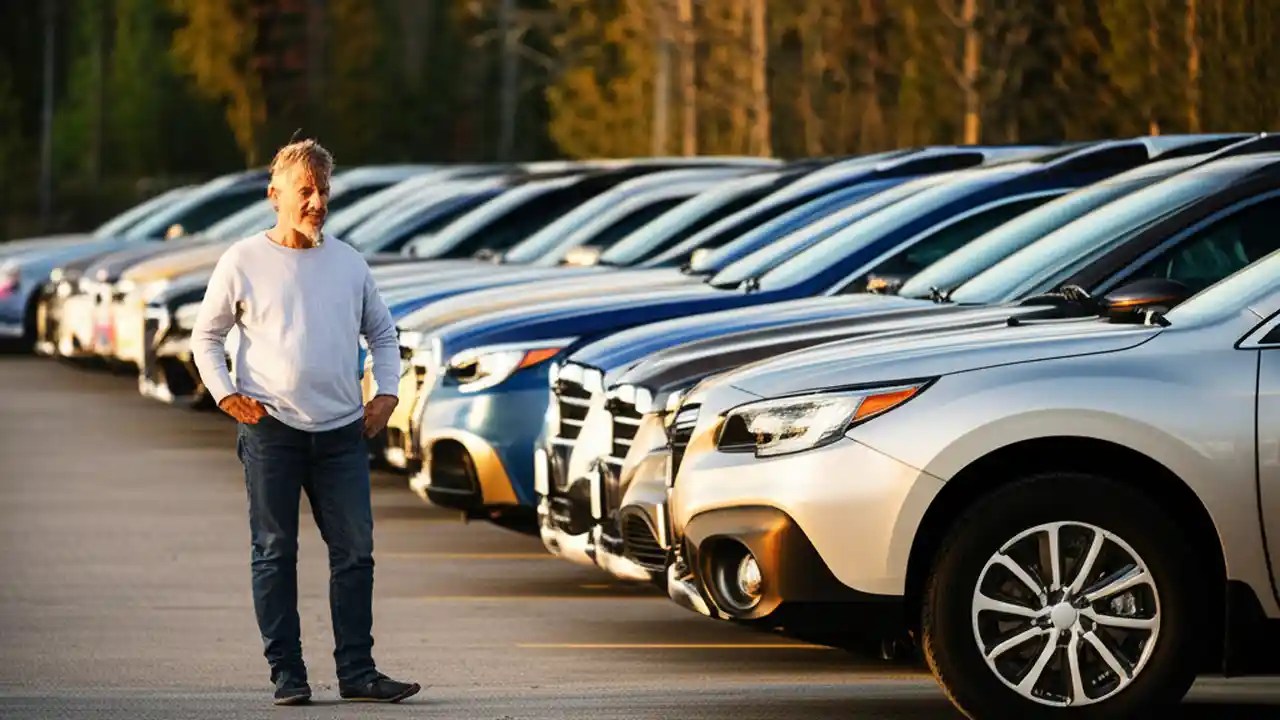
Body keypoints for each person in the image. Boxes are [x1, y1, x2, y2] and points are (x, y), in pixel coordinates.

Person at [191, 140, 419, 706]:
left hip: (342, 432)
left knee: (355, 552)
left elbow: (383, 335)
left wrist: (386, 393)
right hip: (273, 431)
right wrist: (226, 395)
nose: (317, 202)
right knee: (274, 550)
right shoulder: (243, 260)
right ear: (275, 197)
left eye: (324, 191)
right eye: (305, 191)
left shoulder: (348, 262)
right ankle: (287, 675)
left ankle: (357, 673)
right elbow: (206, 336)